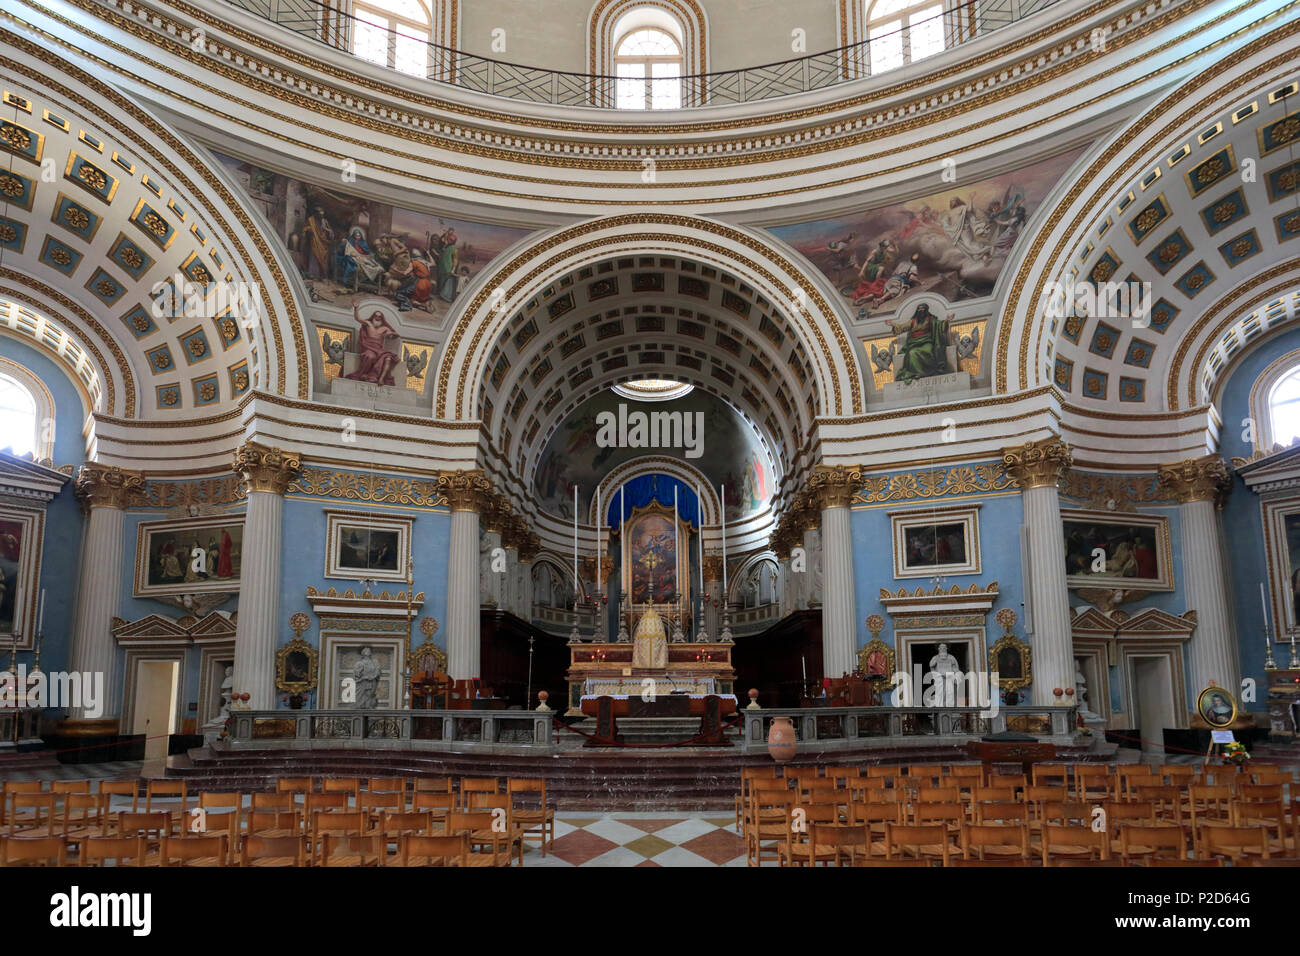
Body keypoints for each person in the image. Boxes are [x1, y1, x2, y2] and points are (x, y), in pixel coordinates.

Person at [889, 302, 951, 382]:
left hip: (927, 342)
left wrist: (946, 321)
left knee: (928, 350)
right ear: (917, 310)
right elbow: (902, 327)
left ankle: (929, 371)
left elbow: (939, 325)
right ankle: (916, 373)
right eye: (919, 308)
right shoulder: (913, 321)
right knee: (912, 353)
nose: (921, 310)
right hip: (914, 343)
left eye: (923, 308)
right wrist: (892, 324)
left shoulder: (931, 319)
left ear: (926, 310)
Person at [343, 304, 401, 386]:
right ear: (373, 316)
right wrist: (356, 308)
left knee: (387, 358)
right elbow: (357, 318)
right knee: (370, 356)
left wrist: (391, 335)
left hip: (379, 349)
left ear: (382, 318)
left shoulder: (385, 328)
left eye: (379, 317)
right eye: (376, 316)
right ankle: (365, 374)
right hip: (368, 347)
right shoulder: (368, 324)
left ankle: (377, 377)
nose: (377, 318)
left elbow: (392, 334)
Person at [301, 206, 334, 279]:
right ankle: (312, 274)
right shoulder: (311, 220)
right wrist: (309, 230)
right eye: (320, 214)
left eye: (322, 214)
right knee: (313, 257)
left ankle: (322, 275)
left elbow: (331, 233)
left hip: (323, 243)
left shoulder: (325, 221)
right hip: (314, 241)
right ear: (316, 214)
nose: (321, 215)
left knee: (323, 259)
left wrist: (328, 231)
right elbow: (305, 229)